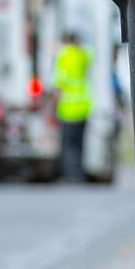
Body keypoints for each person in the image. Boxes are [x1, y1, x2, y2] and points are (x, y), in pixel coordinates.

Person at [52, 33, 92, 181]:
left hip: (68, 109)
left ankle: (70, 175)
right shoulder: (82, 54)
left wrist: (53, 106)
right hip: (83, 107)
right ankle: (79, 174)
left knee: (68, 145)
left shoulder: (64, 56)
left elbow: (59, 83)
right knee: (79, 145)